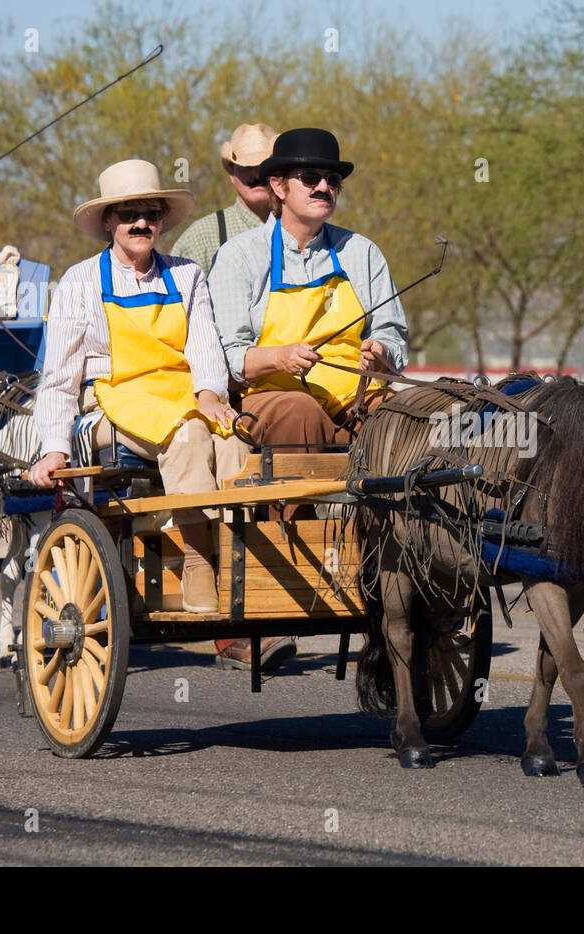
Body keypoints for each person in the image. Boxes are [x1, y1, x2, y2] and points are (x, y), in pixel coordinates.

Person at [28, 159, 245, 615]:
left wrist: (211, 394)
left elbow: (205, 344)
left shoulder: (186, 274)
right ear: (109, 222)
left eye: (150, 213)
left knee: (234, 442)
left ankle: (238, 558)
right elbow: (60, 375)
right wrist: (53, 447)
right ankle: (196, 561)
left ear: (162, 221)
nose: (141, 222)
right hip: (115, 398)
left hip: (183, 393)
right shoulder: (79, 282)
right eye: (128, 214)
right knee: (187, 435)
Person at [209, 127, 408, 453]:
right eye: (310, 177)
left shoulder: (362, 252)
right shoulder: (238, 256)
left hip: (355, 396)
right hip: (272, 398)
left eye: (333, 180)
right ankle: (293, 505)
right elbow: (229, 355)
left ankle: (397, 504)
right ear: (278, 185)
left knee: (406, 413)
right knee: (301, 411)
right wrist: (280, 357)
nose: (324, 187)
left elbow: (392, 333)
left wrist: (382, 353)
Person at [171, 122, 278, 277]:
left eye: (264, 166)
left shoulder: (304, 230)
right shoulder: (201, 237)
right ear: (231, 174)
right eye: (246, 167)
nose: (256, 175)